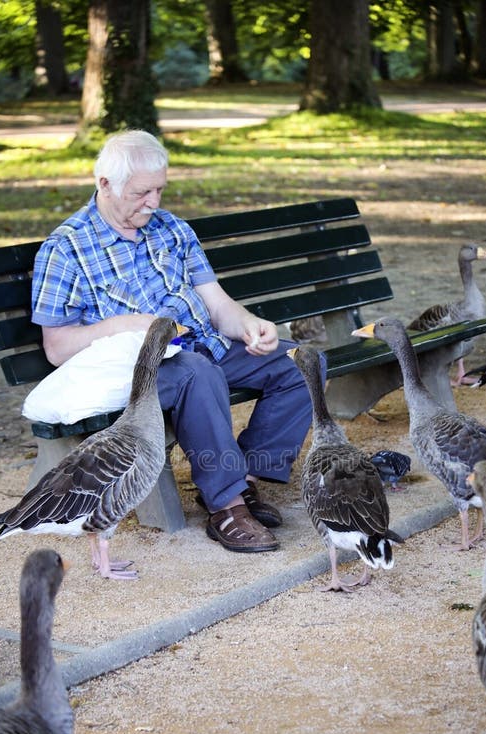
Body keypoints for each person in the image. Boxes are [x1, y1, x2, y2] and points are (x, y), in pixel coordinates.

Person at [31, 130, 326, 554]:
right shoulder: (66, 250)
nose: (153, 202)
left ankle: (242, 479)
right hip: (141, 371)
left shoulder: (172, 229)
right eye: (142, 192)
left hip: (205, 347)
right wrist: (123, 325)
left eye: (159, 190)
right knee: (195, 373)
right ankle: (226, 506)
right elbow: (57, 348)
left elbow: (216, 303)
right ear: (105, 184)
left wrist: (249, 324)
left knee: (302, 363)